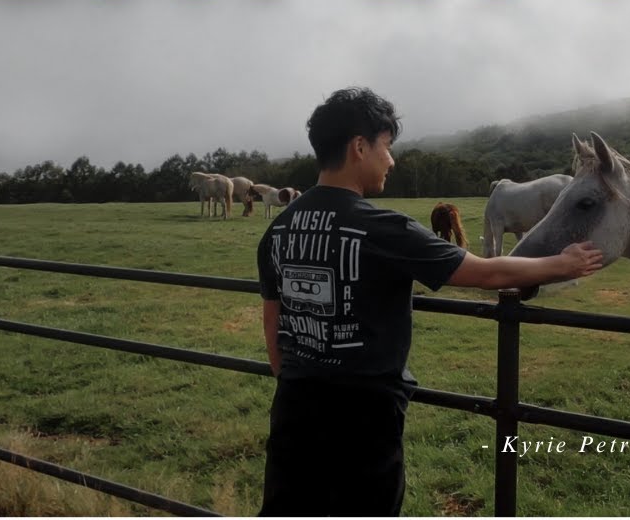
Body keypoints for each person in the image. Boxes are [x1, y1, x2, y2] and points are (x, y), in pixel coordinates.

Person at [256, 87, 603, 517]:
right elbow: (485, 273)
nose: (391, 160)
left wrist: (296, 383)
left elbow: (272, 327)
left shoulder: (279, 229)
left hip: (292, 412)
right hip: (364, 422)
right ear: (359, 147)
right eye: (386, 146)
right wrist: (562, 264)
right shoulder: (383, 228)